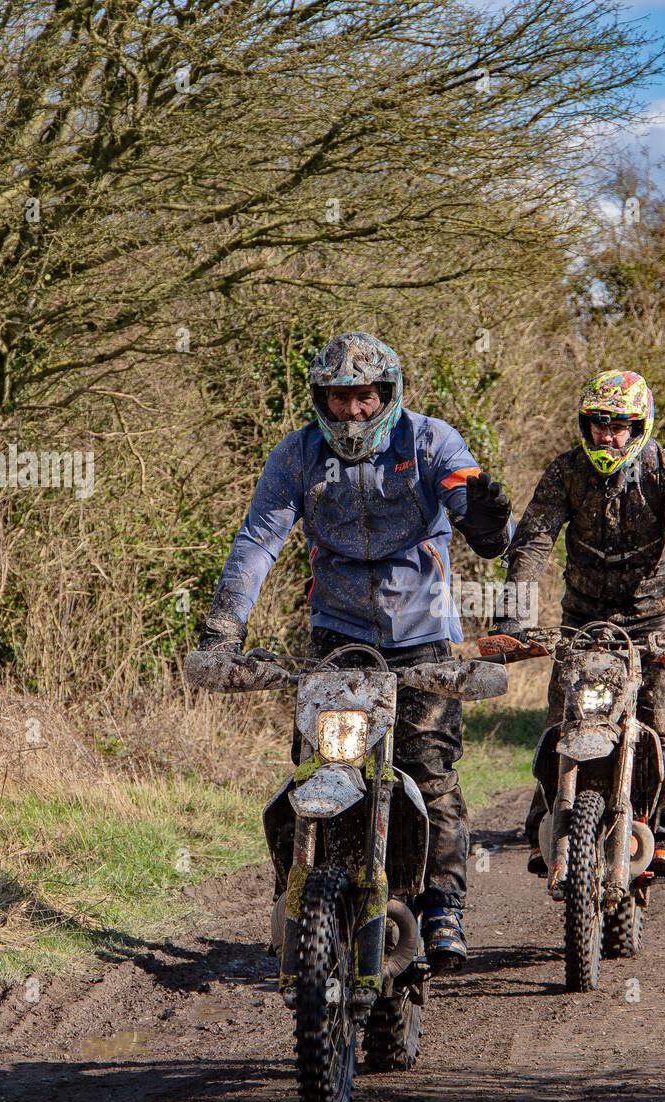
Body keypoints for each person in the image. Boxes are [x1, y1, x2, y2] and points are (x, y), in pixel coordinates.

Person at [196, 331, 514, 969]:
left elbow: (474, 511)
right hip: (336, 638)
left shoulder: (429, 440)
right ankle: (300, 893)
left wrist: (483, 518)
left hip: (423, 638)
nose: (351, 411)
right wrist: (223, 627)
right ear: (320, 397)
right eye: (338, 398)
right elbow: (259, 539)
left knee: (429, 770)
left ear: (388, 394)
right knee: (318, 772)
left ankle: (443, 906)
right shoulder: (298, 455)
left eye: (364, 396)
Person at [492, 370, 665, 884]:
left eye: (620, 426)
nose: (608, 436)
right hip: (584, 619)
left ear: (639, 426)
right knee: (561, 724)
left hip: (656, 618)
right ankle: (546, 825)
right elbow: (532, 542)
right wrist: (512, 618)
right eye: (599, 424)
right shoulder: (565, 471)